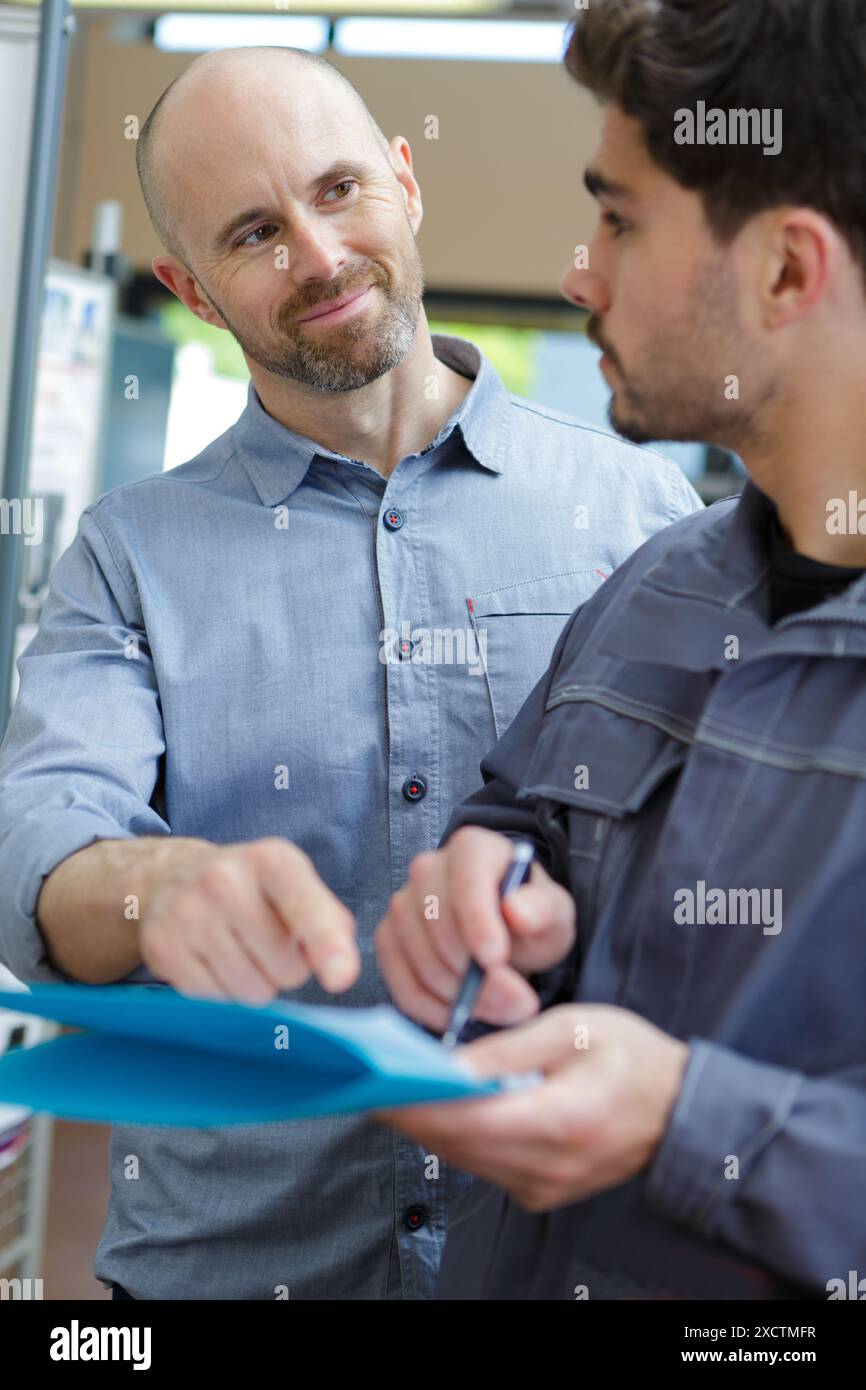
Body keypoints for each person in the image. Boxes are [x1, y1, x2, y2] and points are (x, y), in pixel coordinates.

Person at [0, 45, 699, 1300]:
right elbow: (41, 835)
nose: (318, 259)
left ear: (405, 182)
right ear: (193, 291)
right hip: (220, 1274)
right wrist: (154, 885)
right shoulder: (128, 555)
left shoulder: (637, 508)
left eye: (337, 192)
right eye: (254, 233)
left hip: (555, 1263)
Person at [375, 0, 866, 1300]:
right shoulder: (656, 583)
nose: (578, 274)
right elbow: (514, 805)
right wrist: (485, 873)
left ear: (783, 270)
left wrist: (687, 1126)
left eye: (620, 219)